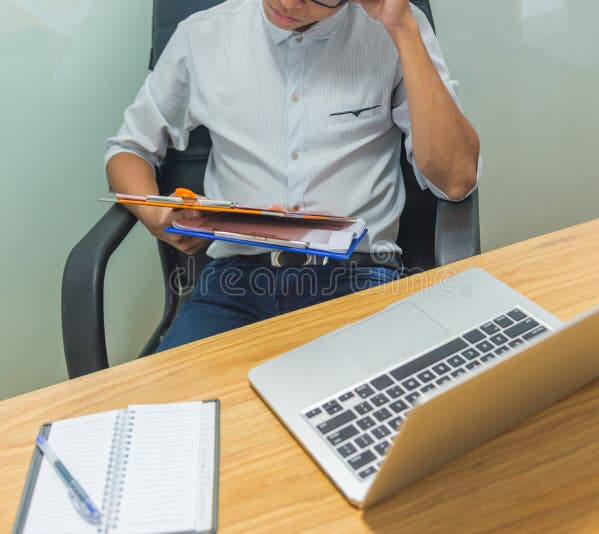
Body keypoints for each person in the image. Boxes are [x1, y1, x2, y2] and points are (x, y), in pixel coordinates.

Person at [104, 0, 481, 350]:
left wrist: (402, 29)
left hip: (357, 279)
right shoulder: (202, 37)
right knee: (175, 416)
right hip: (234, 286)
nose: (288, 3)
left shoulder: (395, 30)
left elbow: (456, 179)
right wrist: (155, 213)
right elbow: (128, 150)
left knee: (377, 412)